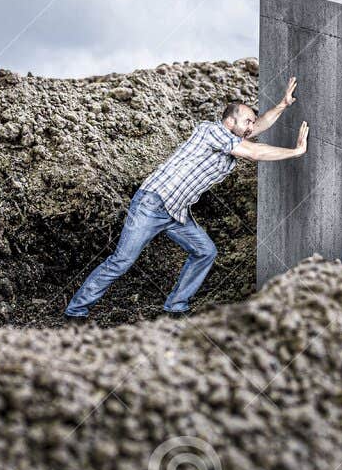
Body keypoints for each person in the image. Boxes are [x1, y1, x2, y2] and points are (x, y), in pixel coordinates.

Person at [65, 77, 309, 318]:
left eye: (251, 123)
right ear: (229, 120)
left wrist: (283, 105)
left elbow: (258, 127)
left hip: (175, 212)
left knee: (205, 251)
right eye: (246, 121)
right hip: (152, 204)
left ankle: (176, 306)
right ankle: (75, 311)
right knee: (121, 261)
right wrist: (296, 151)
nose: (250, 127)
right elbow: (254, 152)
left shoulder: (232, 135)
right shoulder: (211, 131)